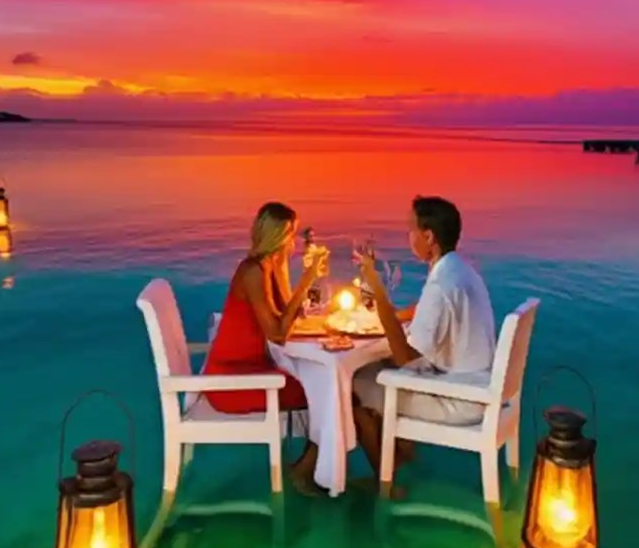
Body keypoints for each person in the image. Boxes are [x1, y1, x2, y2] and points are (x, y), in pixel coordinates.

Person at [351, 195, 497, 491]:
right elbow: (428, 310)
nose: (409, 236)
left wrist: (378, 291)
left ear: (428, 236)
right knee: (380, 368)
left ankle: (386, 483)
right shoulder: (461, 270)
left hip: (459, 399)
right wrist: (395, 314)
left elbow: (405, 356)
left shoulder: (442, 283)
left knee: (353, 386)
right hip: (478, 383)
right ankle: (403, 453)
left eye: (412, 230)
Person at [204, 202, 326, 413]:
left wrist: (283, 263)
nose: (293, 242)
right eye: (291, 236)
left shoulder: (269, 265)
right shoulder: (253, 272)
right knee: (325, 391)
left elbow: (287, 312)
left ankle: (317, 445)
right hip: (232, 382)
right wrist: (307, 280)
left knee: (324, 386)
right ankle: (318, 446)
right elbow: (278, 334)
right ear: (278, 237)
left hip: (254, 370)